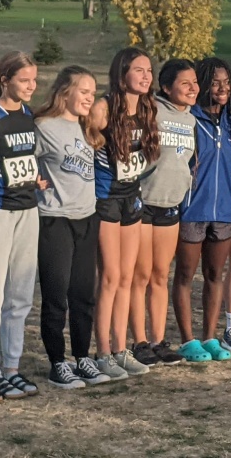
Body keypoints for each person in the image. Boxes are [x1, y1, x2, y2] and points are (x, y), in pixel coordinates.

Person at [34, 66, 113, 389]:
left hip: (86, 218)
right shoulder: (43, 126)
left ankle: (82, 357)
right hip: (55, 219)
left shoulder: (86, 126)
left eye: (92, 92)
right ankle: (58, 363)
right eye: (84, 91)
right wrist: (32, 179)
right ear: (65, 92)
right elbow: (14, 158)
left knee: (83, 294)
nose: (89, 98)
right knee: (56, 295)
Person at [173, 58, 231, 362]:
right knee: (185, 274)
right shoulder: (189, 118)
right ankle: (187, 340)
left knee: (214, 274)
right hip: (192, 209)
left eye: (226, 82)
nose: (222, 88)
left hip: (225, 211)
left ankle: (209, 337)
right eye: (215, 82)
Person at [0, 52, 44, 399]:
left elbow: (23, 159)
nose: (31, 86)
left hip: (28, 211)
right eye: (24, 80)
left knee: (20, 296)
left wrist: (35, 178)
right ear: (5, 80)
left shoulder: (28, 114)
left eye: (34, 80)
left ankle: (12, 367)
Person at [89, 48, 157, 379]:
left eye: (149, 71)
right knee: (110, 277)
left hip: (132, 196)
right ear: (122, 73)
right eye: (139, 70)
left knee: (127, 278)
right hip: (106, 199)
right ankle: (102, 352)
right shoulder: (102, 109)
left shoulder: (146, 109)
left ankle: (120, 350)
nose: (146, 76)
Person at [132, 60, 199, 367]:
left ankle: (158, 340)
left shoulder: (191, 119)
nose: (193, 88)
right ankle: (139, 341)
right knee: (141, 275)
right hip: (144, 201)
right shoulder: (151, 110)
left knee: (161, 274)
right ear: (167, 87)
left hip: (170, 203)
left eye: (195, 82)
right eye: (185, 83)